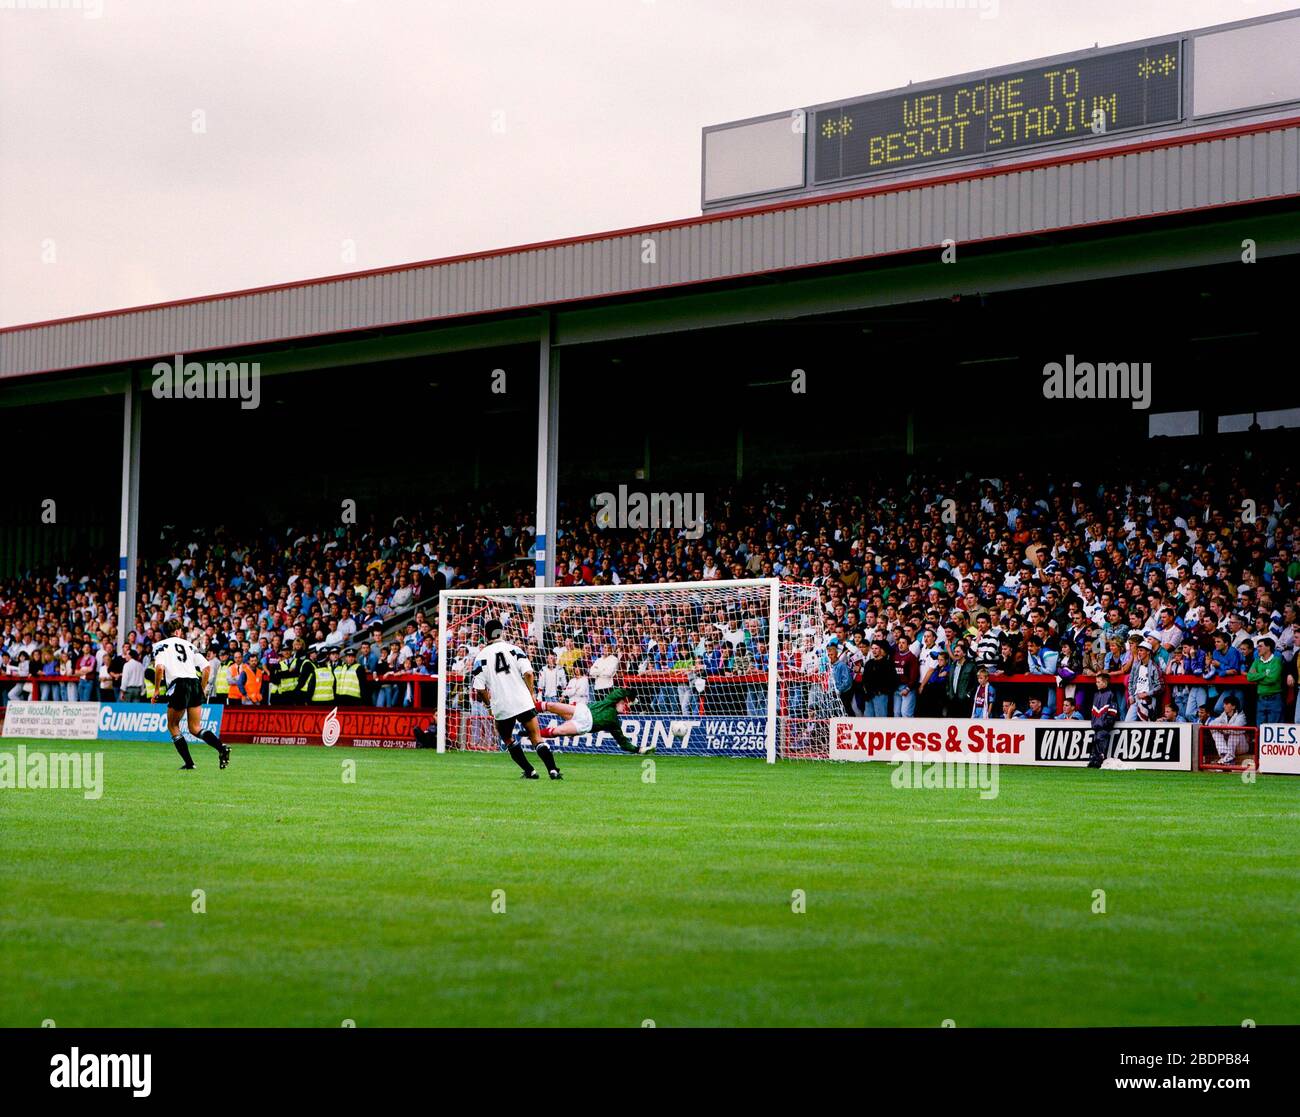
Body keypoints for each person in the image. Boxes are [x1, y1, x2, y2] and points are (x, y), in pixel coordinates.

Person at [471, 615, 561, 780]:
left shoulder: (481, 657)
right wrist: (531, 693)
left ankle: (530, 771)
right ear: (501, 633)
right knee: (536, 737)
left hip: (501, 704)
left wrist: (489, 706)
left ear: (486, 635)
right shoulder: (515, 649)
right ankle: (552, 770)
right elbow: (528, 673)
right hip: (522, 700)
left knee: (507, 738)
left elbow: (479, 688)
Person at [151, 618, 230, 771]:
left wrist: (156, 690)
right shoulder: (189, 645)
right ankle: (221, 748)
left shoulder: (160, 646)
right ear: (178, 631)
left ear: (165, 633)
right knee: (195, 727)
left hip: (178, 685)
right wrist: (201, 688)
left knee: (173, 725)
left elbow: (159, 668)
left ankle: (189, 763)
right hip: (194, 683)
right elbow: (207, 668)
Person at [536, 686, 653, 755]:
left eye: (627, 708)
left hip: (585, 725)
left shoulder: (615, 722)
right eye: (625, 704)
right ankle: (528, 709)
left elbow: (623, 743)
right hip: (583, 711)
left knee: (557, 731)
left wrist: (640, 749)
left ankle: (532, 734)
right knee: (551, 705)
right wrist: (632, 697)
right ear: (621, 700)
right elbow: (622, 691)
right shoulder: (610, 701)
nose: (625, 708)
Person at [1087, 671, 1121, 769]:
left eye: (1098, 682)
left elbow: (1112, 711)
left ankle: (1099, 760)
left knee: (1100, 741)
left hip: (1104, 726)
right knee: (1095, 742)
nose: (1096, 683)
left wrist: (1107, 723)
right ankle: (1093, 760)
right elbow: (1093, 710)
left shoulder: (1110, 694)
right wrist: (1093, 723)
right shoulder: (1096, 695)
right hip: (1096, 725)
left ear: (1105, 683)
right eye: (1096, 681)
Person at [1247, 637, 1284, 725]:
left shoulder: (1276, 661)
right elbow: (1249, 677)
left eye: (1260, 646)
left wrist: (1258, 678)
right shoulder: (1256, 661)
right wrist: (1264, 674)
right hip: (1261, 698)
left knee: (1273, 728)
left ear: (1268, 647)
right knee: (1260, 728)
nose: (1257, 649)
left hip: (1274, 699)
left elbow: (1272, 679)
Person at [1208, 695, 1247, 766]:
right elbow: (1211, 724)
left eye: (1226, 704)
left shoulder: (1241, 716)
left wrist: (1222, 728)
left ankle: (1229, 756)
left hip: (1241, 746)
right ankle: (1225, 754)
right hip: (1228, 747)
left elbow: (1235, 729)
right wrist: (1222, 728)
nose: (1224, 706)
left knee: (1234, 734)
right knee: (1215, 732)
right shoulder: (1224, 715)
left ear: (1233, 707)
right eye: (1224, 704)